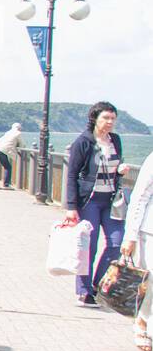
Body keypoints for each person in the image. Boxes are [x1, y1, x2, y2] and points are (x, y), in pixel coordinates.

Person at [62, 102, 129, 306]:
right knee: (88, 246)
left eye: (112, 119)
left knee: (116, 244)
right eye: (105, 118)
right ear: (95, 119)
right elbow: (72, 174)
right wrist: (71, 207)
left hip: (110, 201)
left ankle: (99, 284)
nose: (109, 122)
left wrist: (119, 171)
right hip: (89, 200)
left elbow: (113, 166)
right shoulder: (84, 141)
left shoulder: (115, 140)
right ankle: (84, 291)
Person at [121, 150, 153, 351]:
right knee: (150, 282)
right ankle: (142, 322)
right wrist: (130, 235)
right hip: (150, 231)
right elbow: (140, 196)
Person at [0, 122, 21, 189]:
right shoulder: (18, 133)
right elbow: (21, 143)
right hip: (1, 150)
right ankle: (6, 184)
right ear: (19, 128)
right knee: (8, 167)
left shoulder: (8, 132)